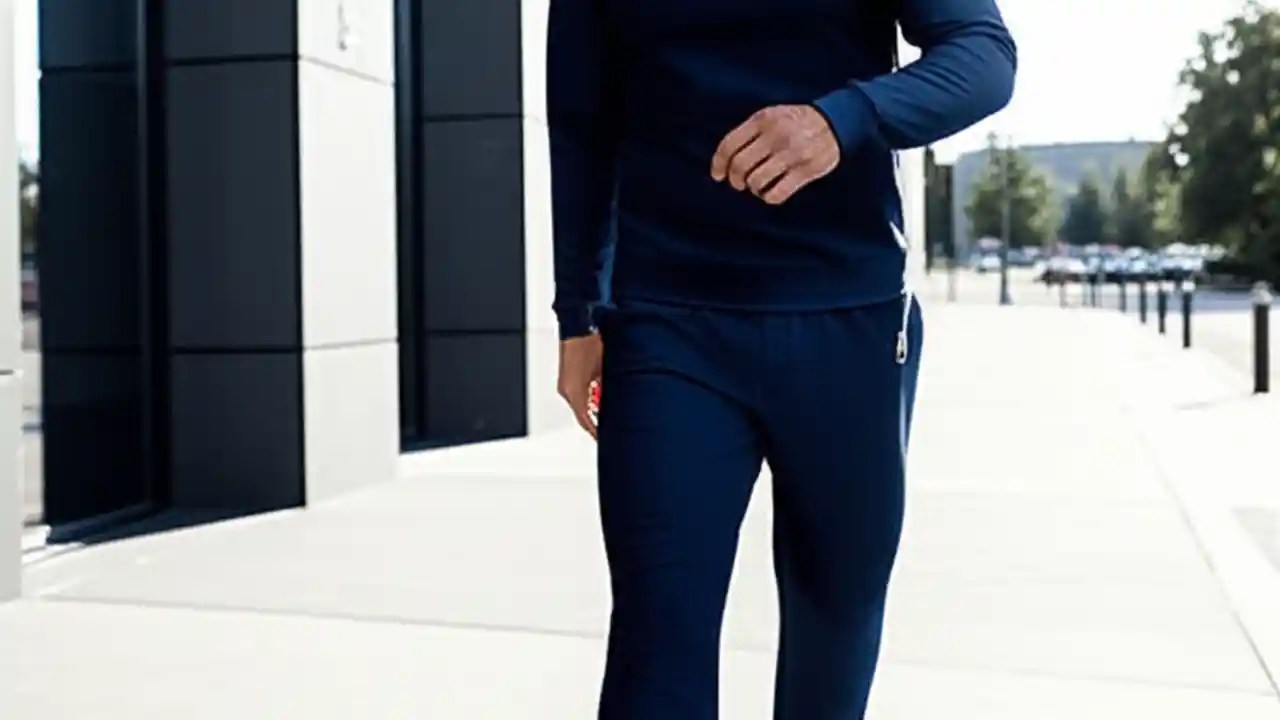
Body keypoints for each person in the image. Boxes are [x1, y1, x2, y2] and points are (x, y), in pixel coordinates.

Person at [547, 0, 1016, 716]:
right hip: (669, 324)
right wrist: (578, 311)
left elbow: (983, 55)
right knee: (655, 650)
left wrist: (841, 120)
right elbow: (581, 119)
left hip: (850, 322)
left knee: (834, 645)